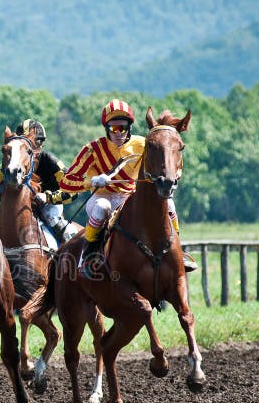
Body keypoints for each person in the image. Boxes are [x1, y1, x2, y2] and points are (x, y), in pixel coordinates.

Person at [60, 99, 197, 277]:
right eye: (113, 129)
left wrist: (172, 177)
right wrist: (92, 181)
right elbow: (65, 182)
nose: (118, 133)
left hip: (130, 198)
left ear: (130, 128)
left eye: (122, 128)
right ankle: (88, 256)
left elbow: (172, 159)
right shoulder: (92, 150)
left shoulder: (144, 145)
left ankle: (177, 252)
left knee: (169, 204)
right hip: (102, 198)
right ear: (106, 128)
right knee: (103, 207)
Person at [0, 119, 79, 242]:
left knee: (51, 216)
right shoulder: (10, 166)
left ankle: (68, 253)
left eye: (31, 143)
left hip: (48, 205)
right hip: (16, 205)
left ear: (40, 143)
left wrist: (48, 197)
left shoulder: (51, 162)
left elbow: (74, 190)